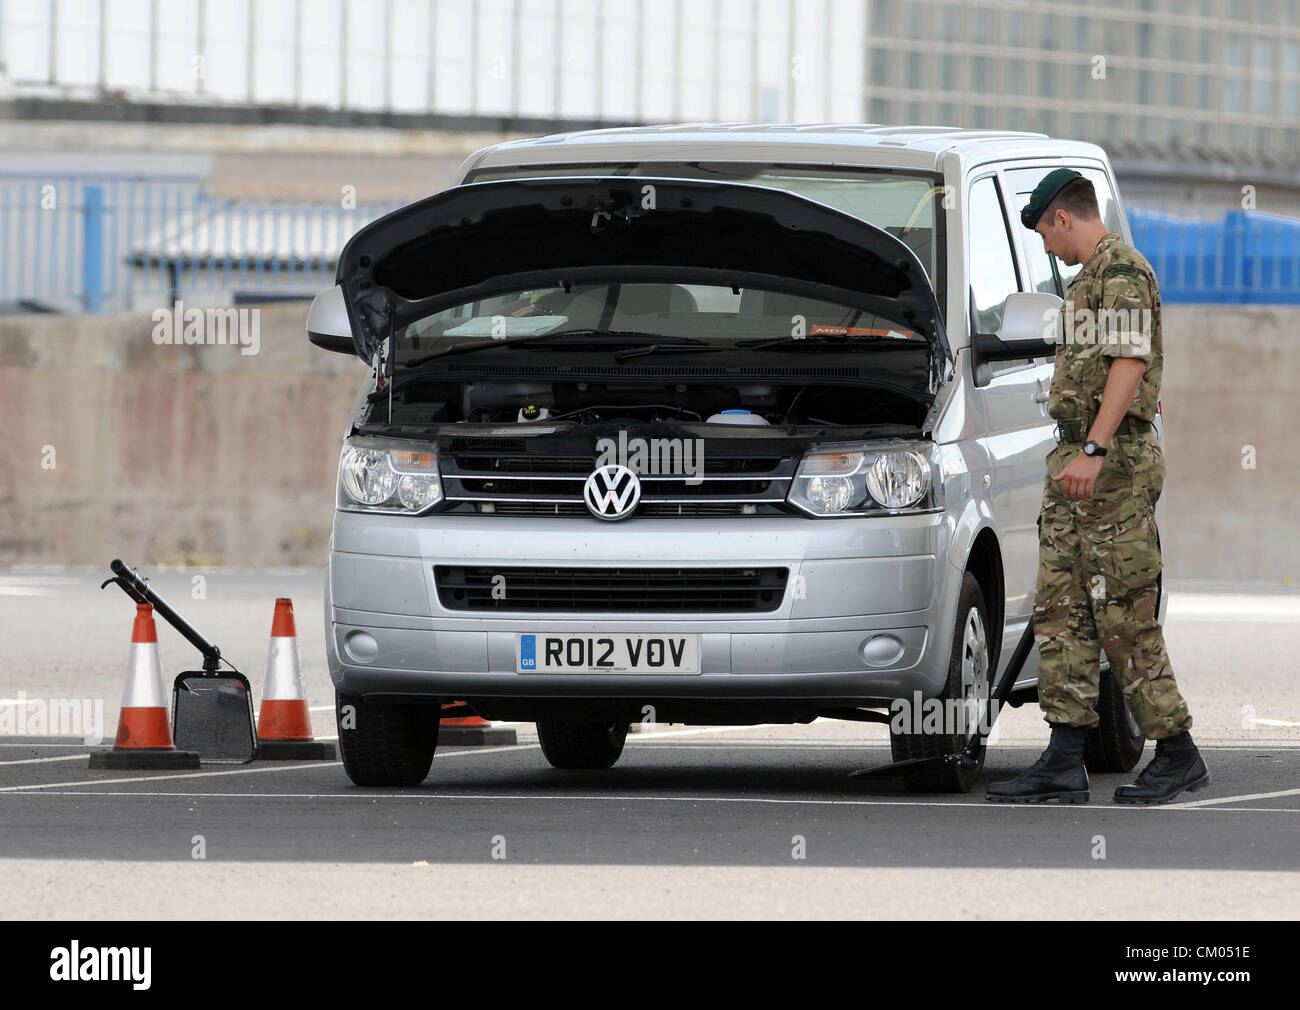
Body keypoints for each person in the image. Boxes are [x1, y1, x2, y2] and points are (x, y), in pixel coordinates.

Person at [986, 168, 1209, 805]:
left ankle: (1177, 750)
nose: (1046, 247)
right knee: (1061, 611)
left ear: (1062, 217)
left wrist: (1094, 447)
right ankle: (1064, 756)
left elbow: (1130, 362)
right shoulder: (1087, 281)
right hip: (1074, 468)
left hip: (1109, 467)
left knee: (1123, 612)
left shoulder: (1123, 272)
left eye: (1044, 233)